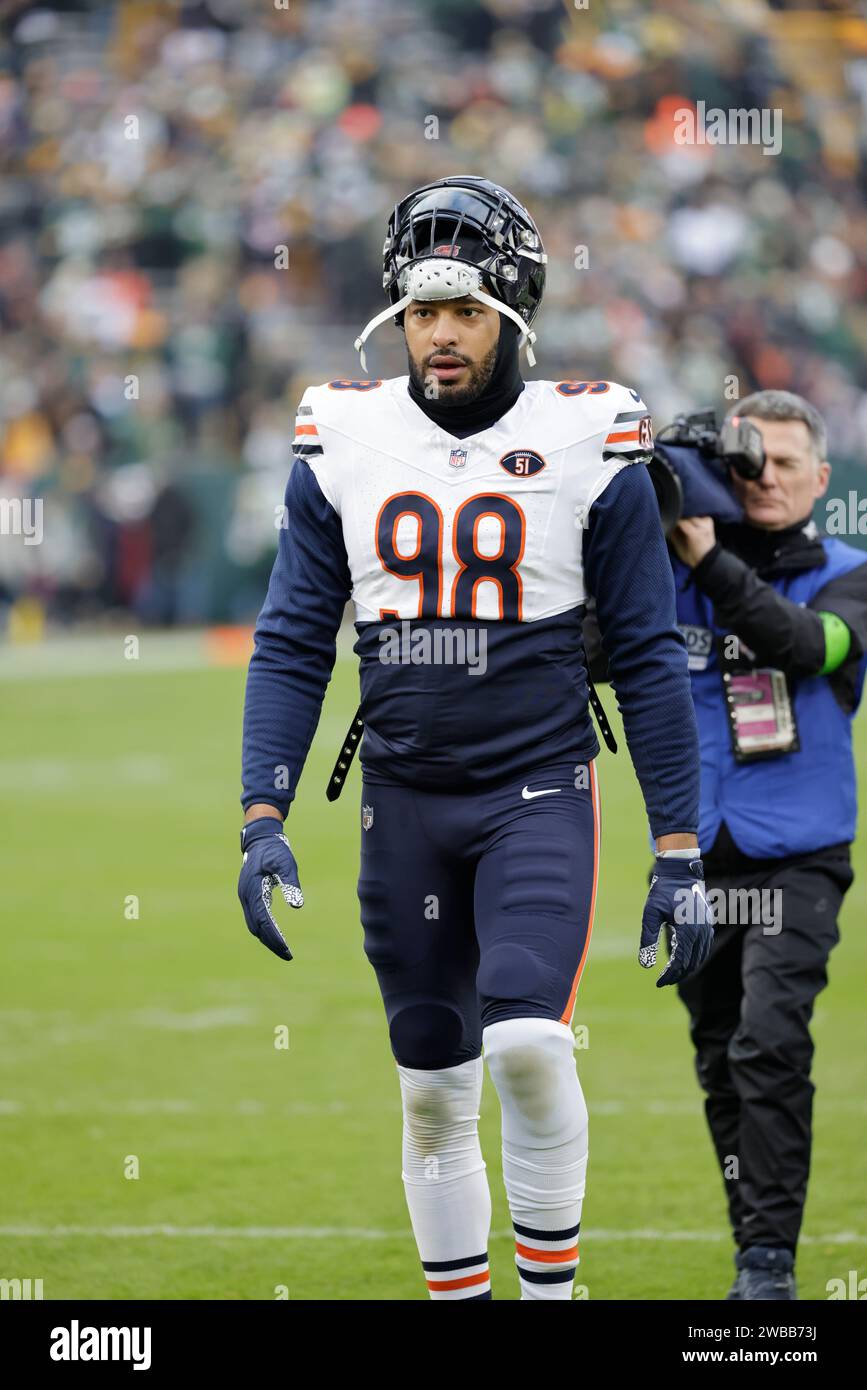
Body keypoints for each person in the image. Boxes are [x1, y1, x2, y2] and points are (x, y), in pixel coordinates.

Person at [238, 176, 713, 1301]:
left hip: (537, 787)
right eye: (419, 311)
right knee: (434, 1090)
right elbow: (293, 640)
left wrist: (682, 845)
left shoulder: (590, 431)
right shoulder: (345, 433)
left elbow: (647, 652)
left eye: (463, 311)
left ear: (513, 313)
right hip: (402, 799)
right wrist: (261, 815)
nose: (438, 335)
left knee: (531, 1043)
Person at [668, 389, 867, 1300]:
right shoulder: (672, 569)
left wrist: (707, 561)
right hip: (696, 851)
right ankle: (754, 1246)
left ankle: (766, 1267)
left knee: (768, 1039)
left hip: (800, 855)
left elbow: (796, 646)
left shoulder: (851, 572)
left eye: (789, 464)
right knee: (719, 1057)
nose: (769, 480)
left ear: (822, 479)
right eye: (752, 461)